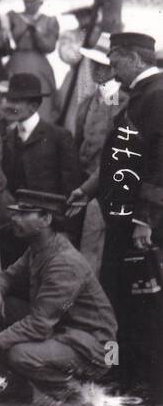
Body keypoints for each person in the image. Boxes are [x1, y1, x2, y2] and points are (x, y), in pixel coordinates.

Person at [0, 190, 117, 406]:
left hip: (95, 348)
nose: (14, 218)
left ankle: (73, 394)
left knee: (21, 354)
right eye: (16, 213)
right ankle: (13, 388)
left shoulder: (64, 262)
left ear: (46, 219)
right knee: (0, 305)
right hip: (63, 331)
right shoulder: (39, 249)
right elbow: (7, 276)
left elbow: (39, 325)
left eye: (24, 213)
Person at [70, 32, 163, 404]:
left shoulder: (155, 97)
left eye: (115, 61)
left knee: (142, 303)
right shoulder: (141, 97)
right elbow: (121, 158)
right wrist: (90, 188)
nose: (111, 69)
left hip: (138, 223)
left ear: (134, 59)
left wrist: (146, 219)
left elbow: (158, 165)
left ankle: (147, 383)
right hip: (122, 218)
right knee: (118, 299)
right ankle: (123, 375)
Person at [0, 72, 78, 252]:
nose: (8, 106)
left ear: (33, 106)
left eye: (16, 102)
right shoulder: (6, 138)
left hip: (50, 231)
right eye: (8, 100)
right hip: (14, 230)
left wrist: (66, 229)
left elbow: (70, 187)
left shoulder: (59, 137)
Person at [69, 35, 123, 272]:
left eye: (103, 65)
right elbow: (79, 143)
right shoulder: (87, 103)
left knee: (97, 247)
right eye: (94, 64)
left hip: (109, 185)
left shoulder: (123, 103)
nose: (97, 69)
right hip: (84, 183)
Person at [6, 0, 60, 119]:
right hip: (17, 62)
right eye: (27, 1)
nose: (30, 4)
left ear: (41, 2)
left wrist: (36, 32)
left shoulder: (50, 20)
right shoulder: (13, 17)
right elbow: (6, 40)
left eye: (34, 1)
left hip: (39, 64)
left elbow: (50, 46)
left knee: (41, 100)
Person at [54, 0, 101, 131]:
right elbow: (68, 56)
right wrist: (85, 44)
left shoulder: (101, 33)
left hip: (96, 77)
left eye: (88, 14)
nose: (84, 18)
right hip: (76, 78)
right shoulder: (70, 35)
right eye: (80, 15)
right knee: (72, 114)